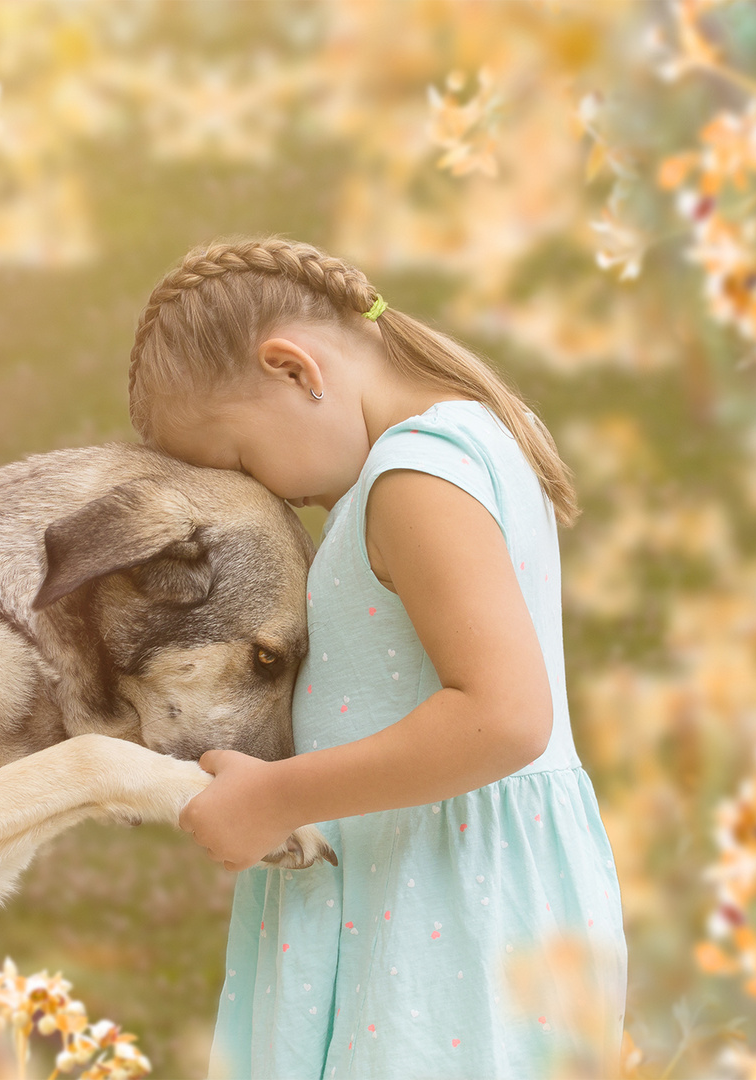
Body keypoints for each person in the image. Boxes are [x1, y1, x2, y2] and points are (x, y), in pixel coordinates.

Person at [125, 236, 628, 1079]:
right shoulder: (472, 440)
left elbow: (503, 717)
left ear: (293, 369)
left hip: (436, 898)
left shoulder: (414, 479)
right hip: (447, 888)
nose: (272, 495)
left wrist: (275, 797)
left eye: (245, 460)